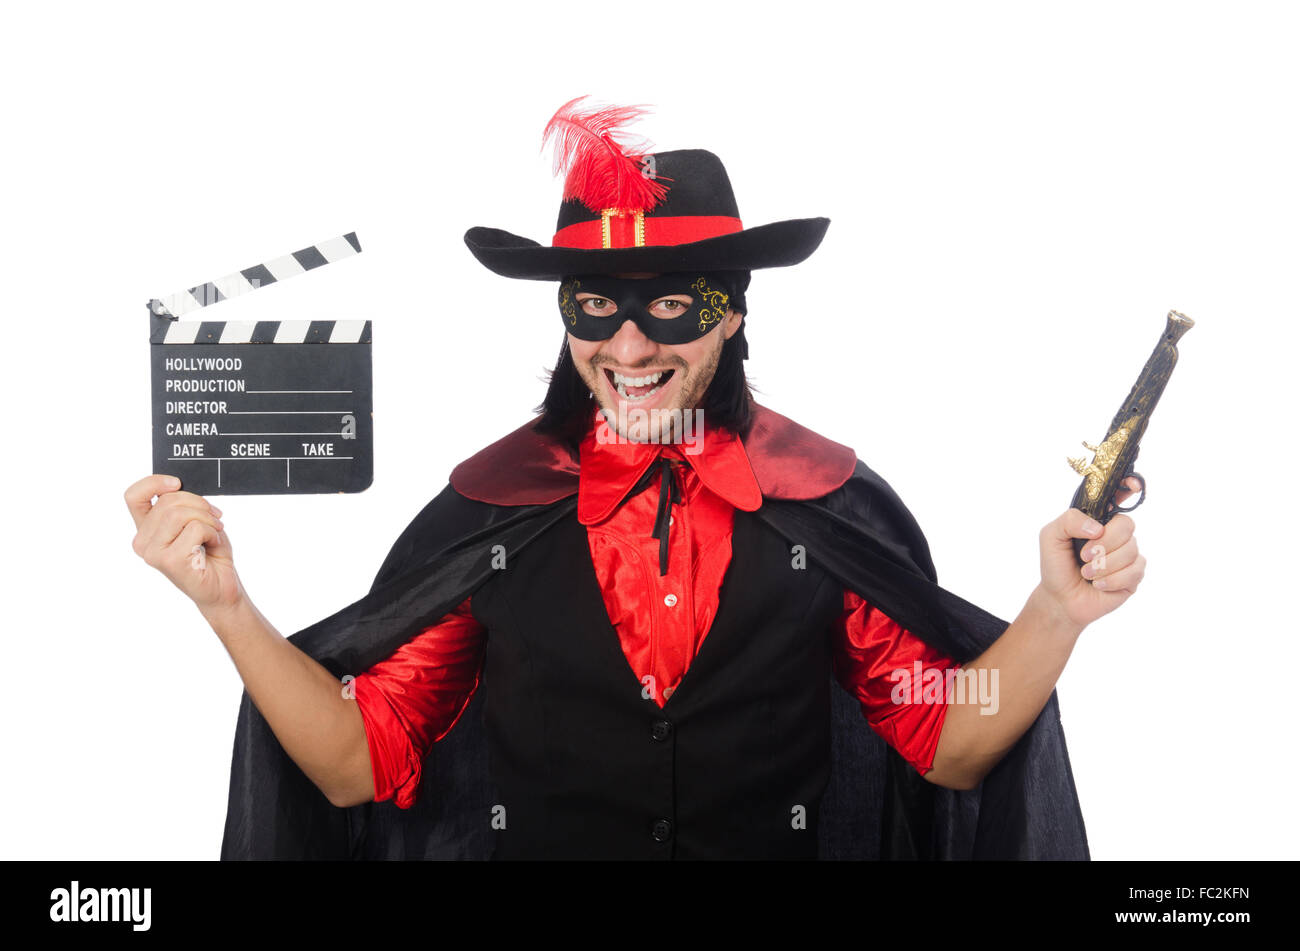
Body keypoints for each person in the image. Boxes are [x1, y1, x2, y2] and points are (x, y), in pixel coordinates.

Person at [125, 98, 1144, 860]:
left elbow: (947, 744)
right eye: (594, 305)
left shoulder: (818, 503)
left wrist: (1056, 611)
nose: (626, 343)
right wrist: (227, 606)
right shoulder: (498, 511)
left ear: (733, 314)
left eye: (673, 308)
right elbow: (357, 760)